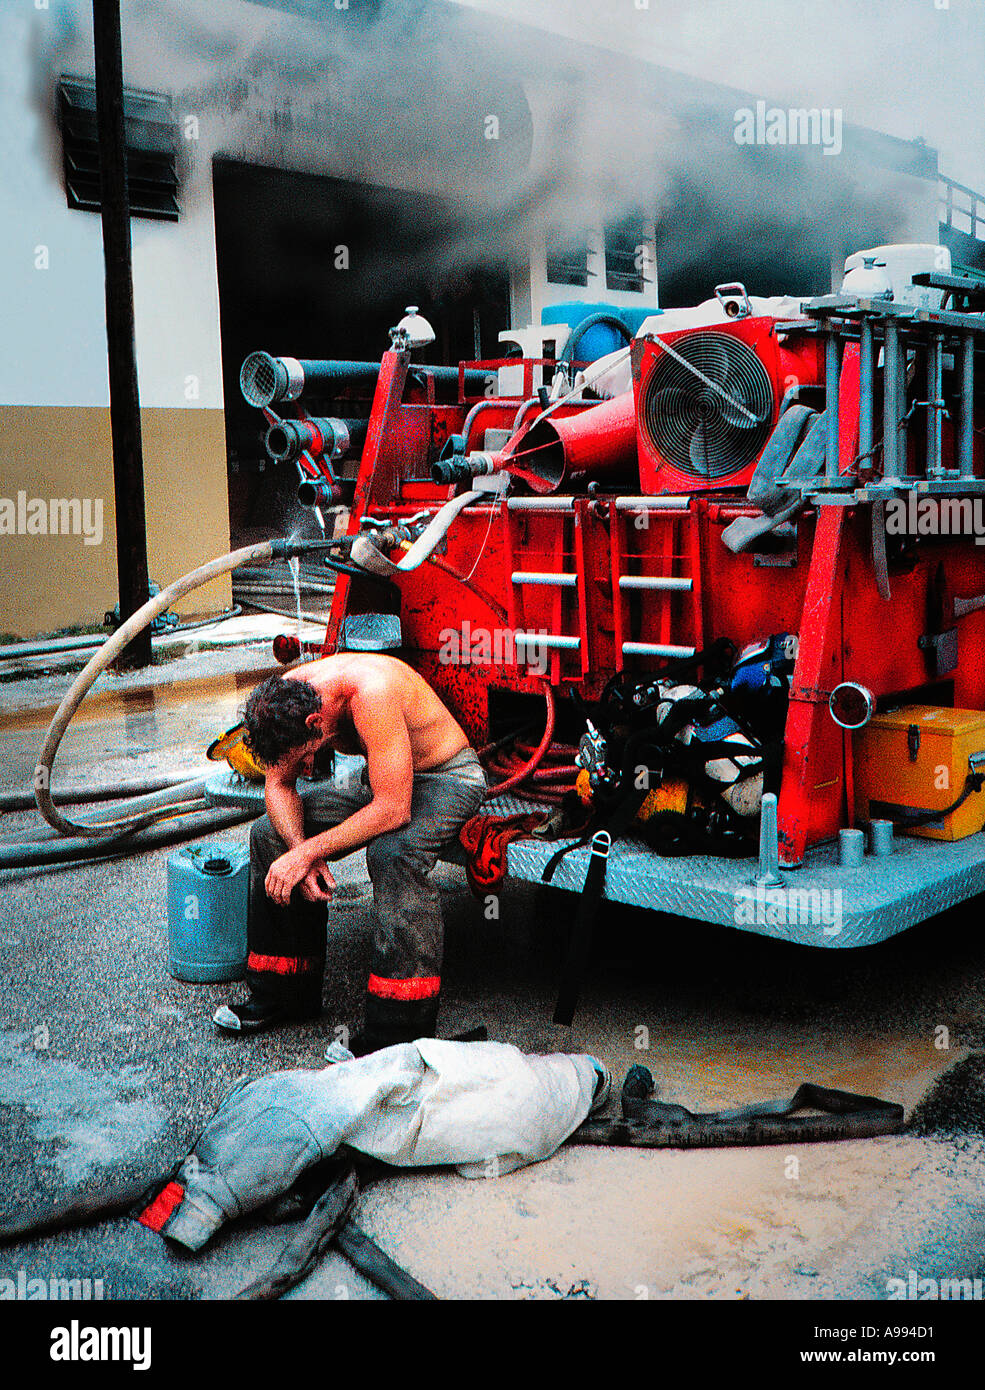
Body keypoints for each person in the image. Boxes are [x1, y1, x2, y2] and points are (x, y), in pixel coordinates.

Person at [213, 653, 488, 1048]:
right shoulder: (282, 703)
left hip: (446, 777)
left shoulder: (369, 693)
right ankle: (283, 995)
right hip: (386, 776)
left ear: (315, 723)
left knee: (394, 854)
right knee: (267, 834)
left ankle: (399, 1031)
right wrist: (297, 850)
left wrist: (308, 854)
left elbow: (394, 809)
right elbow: (279, 787)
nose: (308, 768)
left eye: (306, 757)